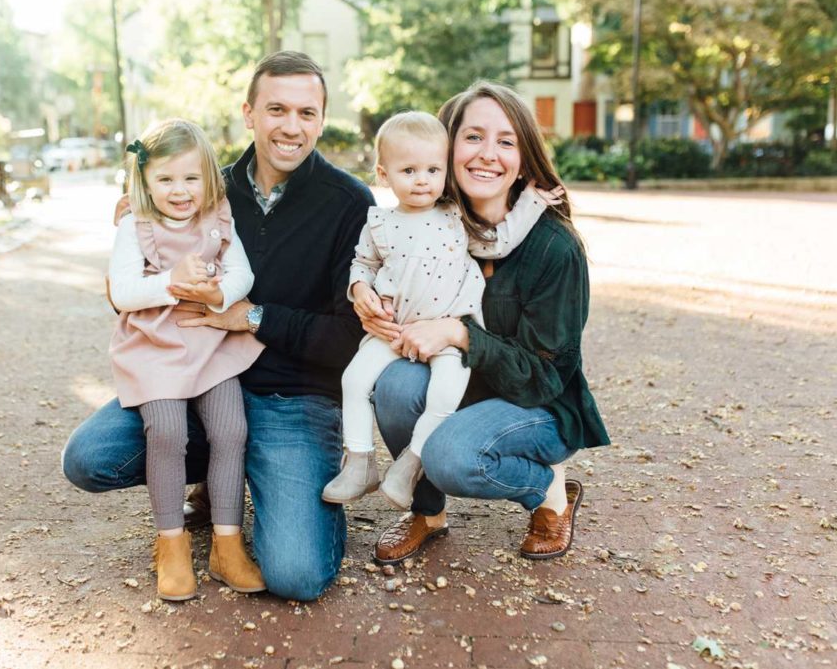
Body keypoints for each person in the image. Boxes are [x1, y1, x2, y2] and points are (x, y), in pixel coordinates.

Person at [62, 51, 374, 601]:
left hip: (292, 398)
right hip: (193, 374)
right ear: (249, 113)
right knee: (90, 459)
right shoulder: (203, 188)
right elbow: (132, 287)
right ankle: (211, 489)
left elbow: (350, 338)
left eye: (306, 112)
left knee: (297, 575)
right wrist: (142, 221)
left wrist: (253, 316)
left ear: (322, 120)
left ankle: (269, 484)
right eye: (276, 109)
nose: (292, 126)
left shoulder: (349, 203)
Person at [361, 81, 610, 566]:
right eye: (473, 137)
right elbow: (375, 263)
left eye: (506, 141)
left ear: (523, 159)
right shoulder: (433, 225)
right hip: (462, 385)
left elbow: (546, 376)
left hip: (539, 403)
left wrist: (459, 333)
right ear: (447, 147)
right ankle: (427, 512)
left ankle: (549, 491)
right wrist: (363, 294)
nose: (487, 154)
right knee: (393, 385)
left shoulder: (554, 248)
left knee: (451, 456)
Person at [322, 111, 562, 509]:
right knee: (354, 380)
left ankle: (410, 464)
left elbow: (497, 242)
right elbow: (363, 263)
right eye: (409, 171)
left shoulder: (453, 216)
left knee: (444, 394)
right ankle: (360, 461)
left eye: (433, 170)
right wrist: (360, 288)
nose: (422, 180)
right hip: (395, 329)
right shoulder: (379, 222)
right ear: (383, 174)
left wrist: (532, 203)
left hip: (450, 333)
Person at [107, 118, 265, 601]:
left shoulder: (217, 218)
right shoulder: (135, 225)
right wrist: (172, 282)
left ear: (209, 178)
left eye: (191, 178)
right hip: (155, 345)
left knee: (231, 430)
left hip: (209, 340)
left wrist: (219, 294)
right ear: (145, 180)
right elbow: (124, 291)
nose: (180, 191)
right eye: (166, 179)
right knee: (168, 432)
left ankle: (227, 544)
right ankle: (171, 543)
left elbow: (242, 273)